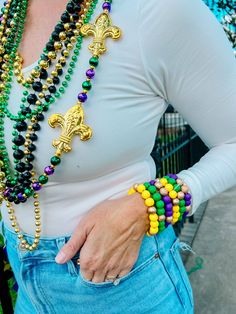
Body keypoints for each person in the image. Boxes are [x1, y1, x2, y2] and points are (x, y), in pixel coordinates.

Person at [0, 0, 236, 313]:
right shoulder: (8, 15)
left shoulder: (157, 10)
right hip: (26, 279)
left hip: (120, 286)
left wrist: (146, 206)